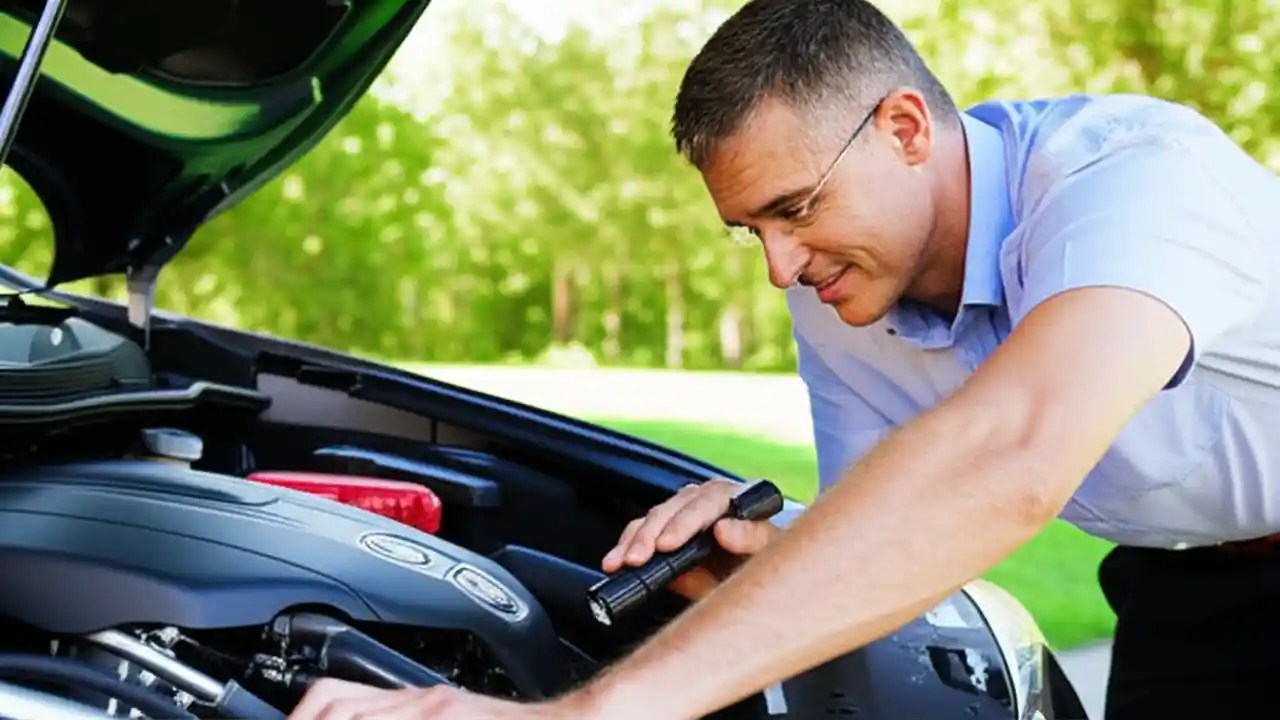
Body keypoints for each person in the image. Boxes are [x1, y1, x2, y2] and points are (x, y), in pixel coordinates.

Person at [287, 0, 1280, 718]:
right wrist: (764, 544)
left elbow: (1013, 452)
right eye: (747, 230)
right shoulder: (842, 294)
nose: (777, 269)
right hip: (1183, 587)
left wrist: (591, 716)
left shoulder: (1127, 180)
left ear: (902, 128)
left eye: (793, 210)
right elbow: (885, 542)